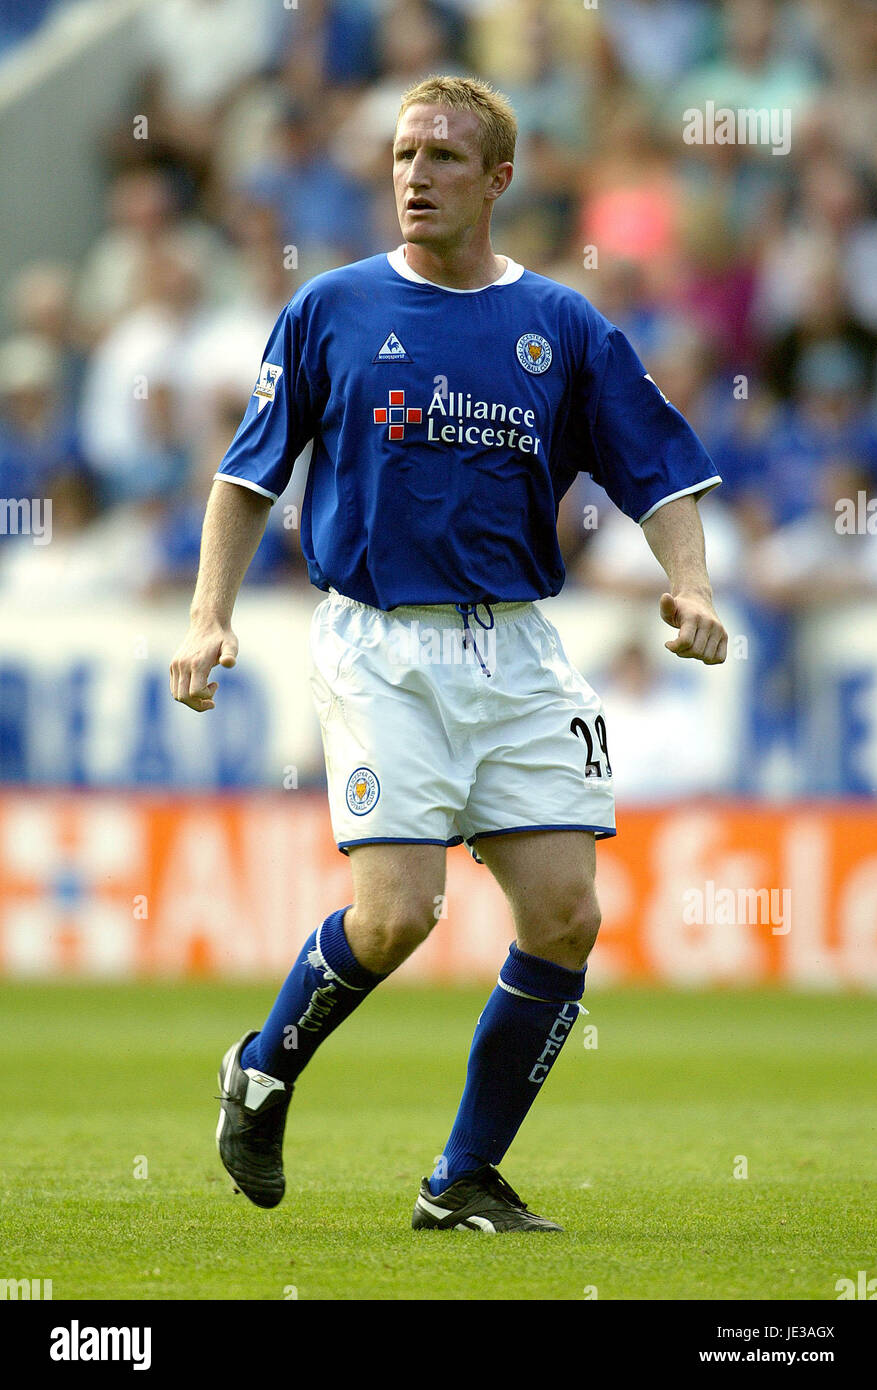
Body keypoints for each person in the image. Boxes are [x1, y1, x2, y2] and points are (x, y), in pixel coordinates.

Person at [170, 75, 727, 1233]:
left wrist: (690, 584)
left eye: (442, 157)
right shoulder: (329, 308)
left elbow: (658, 470)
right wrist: (208, 614)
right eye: (402, 154)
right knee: (394, 919)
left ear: (498, 182)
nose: (414, 175)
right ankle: (260, 1068)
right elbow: (244, 477)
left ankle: (459, 1177)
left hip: (517, 648)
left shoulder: (563, 328)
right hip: (381, 647)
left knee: (566, 915)